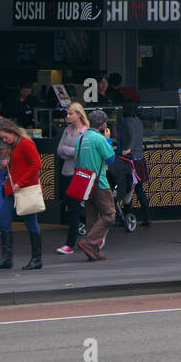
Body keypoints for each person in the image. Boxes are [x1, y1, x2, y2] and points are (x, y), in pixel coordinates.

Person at [0, 120, 43, 270]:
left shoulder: (26, 143)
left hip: (23, 189)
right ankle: (7, 258)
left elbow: (37, 164)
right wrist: (8, 163)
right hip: (13, 190)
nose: (3, 140)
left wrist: (20, 182)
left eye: (5, 137)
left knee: (31, 223)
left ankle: (36, 258)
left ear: (13, 133)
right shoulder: (15, 145)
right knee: (4, 221)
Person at [75, 109, 118, 261]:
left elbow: (76, 162)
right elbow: (111, 158)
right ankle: (88, 242)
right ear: (103, 124)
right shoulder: (99, 138)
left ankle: (93, 251)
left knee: (91, 218)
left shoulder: (80, 138)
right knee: (109, 214)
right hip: (99, 182)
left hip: (84, 183)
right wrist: (107, 139)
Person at [55, 102, 90, 255]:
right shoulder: (67, 130)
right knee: (72, 204)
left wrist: (70, 151)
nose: (67, 116)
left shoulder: (86, 132)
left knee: (75, 207)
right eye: (67, 113)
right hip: (66, 172)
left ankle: (70, 243)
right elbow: (59, 150)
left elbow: (82, 152)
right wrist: (73, 151)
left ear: (79, 114)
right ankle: (93, 227)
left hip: (79, 173)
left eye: (70, 113)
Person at [118, 102, 151, 226]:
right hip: (139, 157)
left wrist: (128, 149)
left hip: (130, 159)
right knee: (138, 189)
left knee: (129, 188)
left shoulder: (127, 121)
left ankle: (126, 216)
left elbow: (131, 137)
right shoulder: (138, 120)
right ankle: (146, 216)